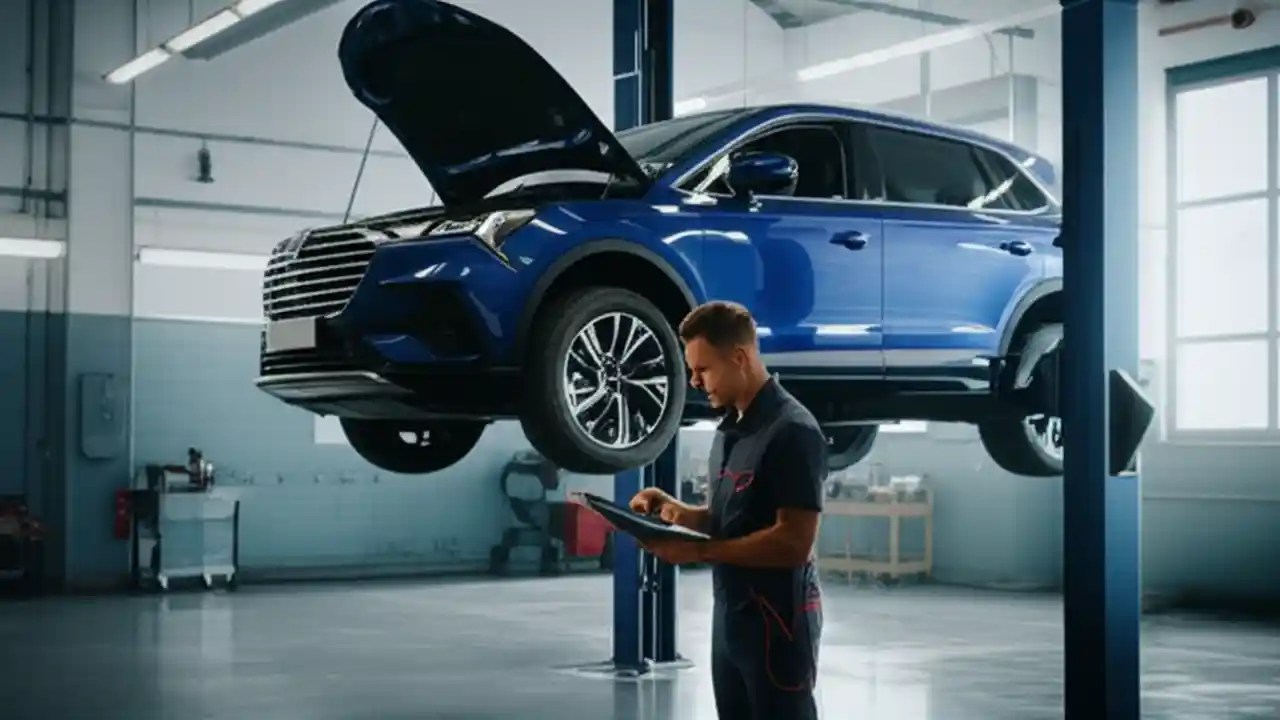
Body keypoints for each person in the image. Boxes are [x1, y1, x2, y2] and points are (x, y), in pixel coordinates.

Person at [630, 300, 827, 720]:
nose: (696, 382)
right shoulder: (730, 432)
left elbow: (793, 543)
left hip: (779, 626)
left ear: (739, 357)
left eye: (703, 370)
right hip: (731, 621)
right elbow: (729, 520)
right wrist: (676, 512)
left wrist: (698, 552)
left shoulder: (793, 432)